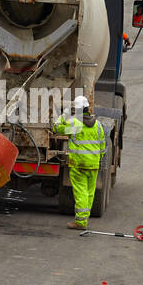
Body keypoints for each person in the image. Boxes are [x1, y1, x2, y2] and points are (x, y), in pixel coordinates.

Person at [52, 95, 106, 230]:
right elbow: (103, 147)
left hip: (79, 164)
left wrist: (63, 115)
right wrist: (97, 160)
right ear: (88, 108)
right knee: (89, 192)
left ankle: (81, 222)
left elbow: (57, 128)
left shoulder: (75, 123)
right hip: (94, 164)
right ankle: (84, 219)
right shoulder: (98, 125)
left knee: (81, 191)